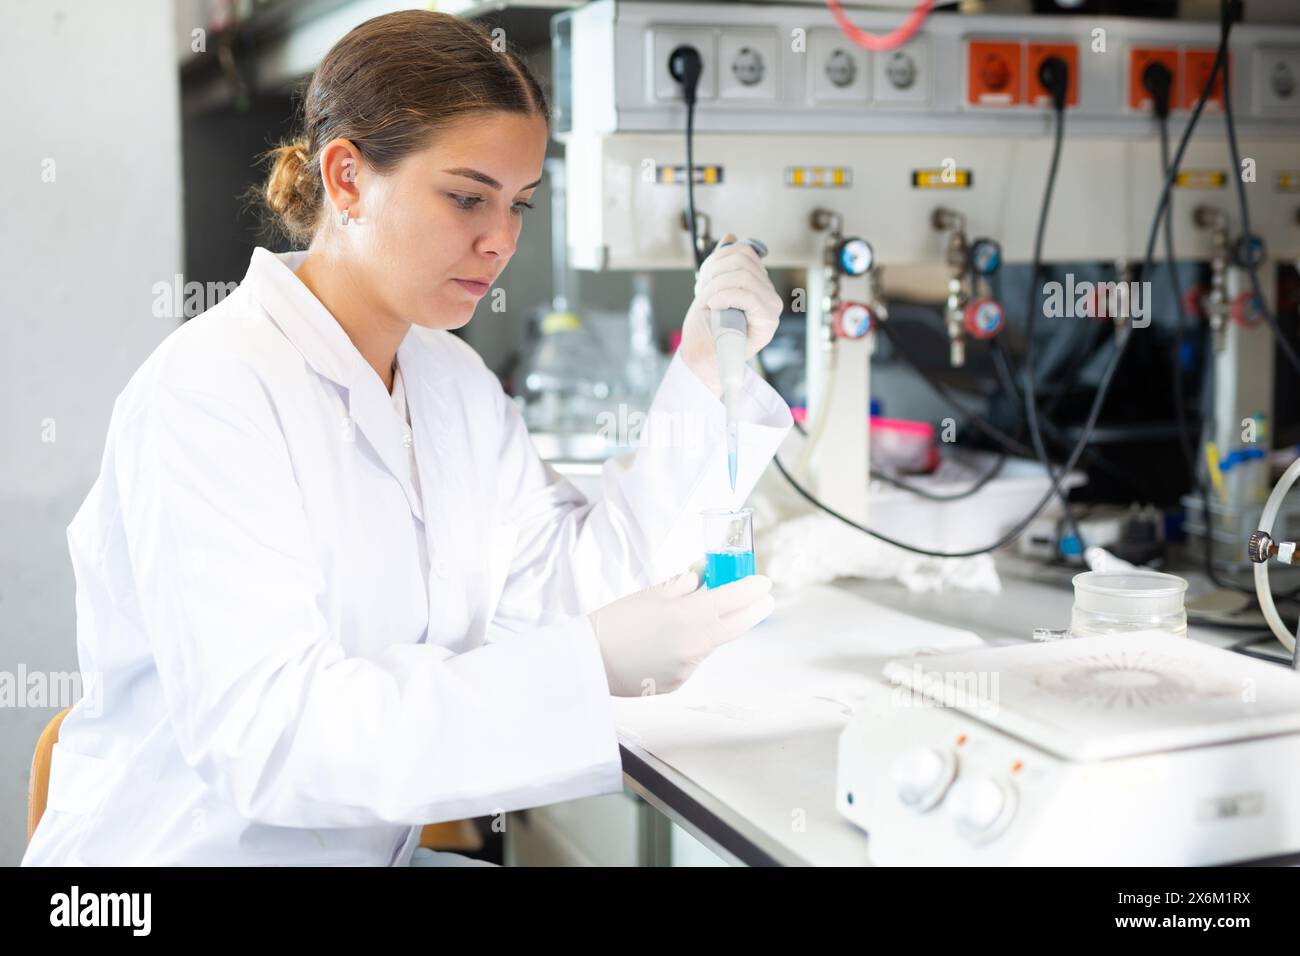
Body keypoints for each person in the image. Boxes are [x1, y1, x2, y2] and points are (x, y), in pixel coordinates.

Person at [23, 9, 791, 867]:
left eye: (520, 203)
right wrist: (588, 664)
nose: (499, 239)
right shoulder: (211, 395)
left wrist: (703, 371)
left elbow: (577, 587)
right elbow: (275, 740)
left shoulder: (449, 384)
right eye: (466, 196)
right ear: (346, 178)